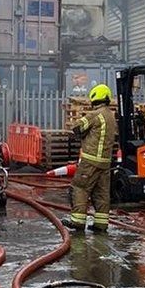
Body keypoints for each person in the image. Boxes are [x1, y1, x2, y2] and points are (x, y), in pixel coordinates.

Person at [63, 84, 117, 233]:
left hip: (90, 161)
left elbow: (77, 127)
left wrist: (80, 135)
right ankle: (100, 224)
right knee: (101, 194)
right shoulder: (111, 117)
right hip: (105, 163)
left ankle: (78, 222)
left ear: (94, 97)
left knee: (79, 187)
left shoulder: (95, 115)